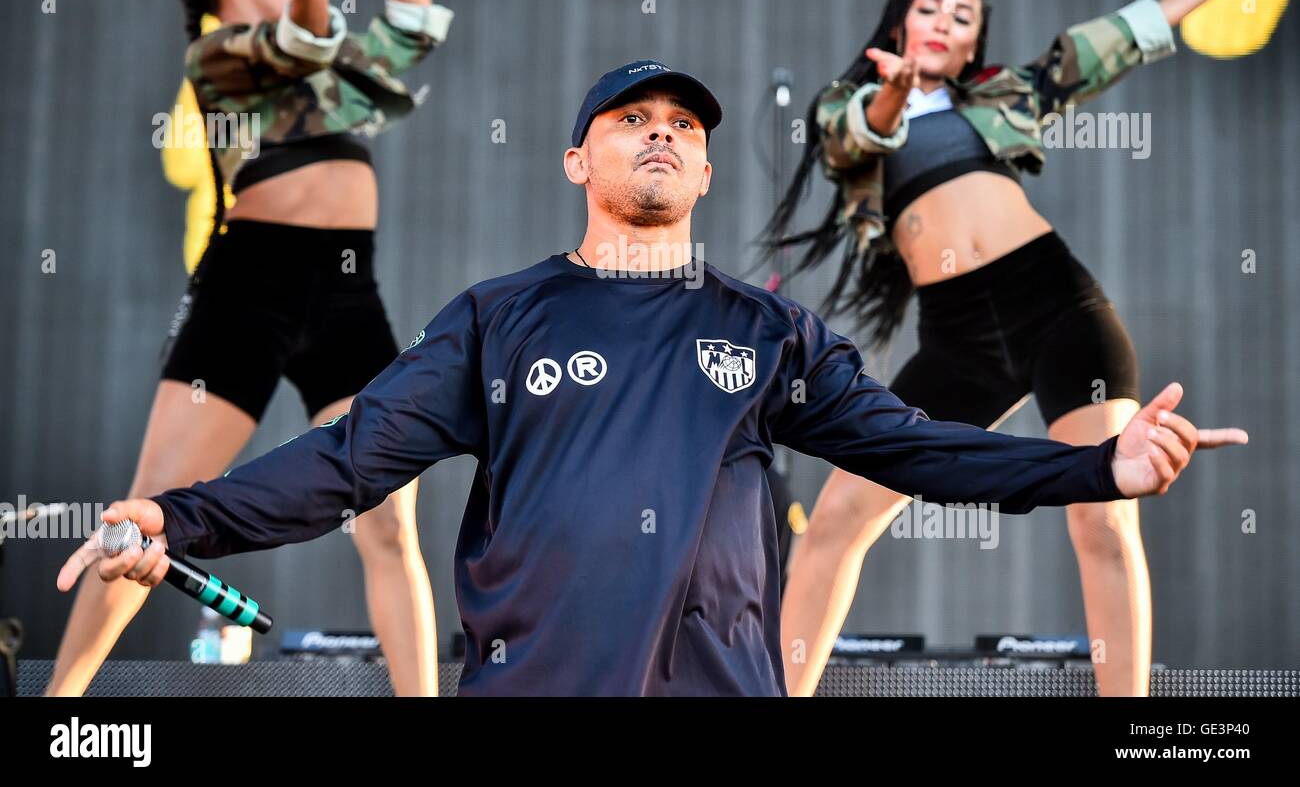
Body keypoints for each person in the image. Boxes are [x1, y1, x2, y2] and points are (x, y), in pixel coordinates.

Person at [57, 60, 1246, 696]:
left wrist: (1100, 461)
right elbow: (348, 460)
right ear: (581, 158)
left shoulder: (770, 331)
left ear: (709, 167)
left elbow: (918, 447)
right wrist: (175, 514)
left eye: (684, 122)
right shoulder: (494, 318)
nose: (664, 132)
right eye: (633, 118)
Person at [763, 0, 1292, 696]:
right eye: (929, 7)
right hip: (958, 340)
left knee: (1104, 519)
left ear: (976, 43)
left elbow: (1109, 43)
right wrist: (892, 96)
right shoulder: (850, 104)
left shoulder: (1004, 97)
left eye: (962, 15)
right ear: (899, 20)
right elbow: (855, 139)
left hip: (1057, 308)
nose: (944, 22)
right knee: (837, 518)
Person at [46, 0, 453, 697]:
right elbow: (300, 41)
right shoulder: (220, 54)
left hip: (349, 293)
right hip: (251, 287)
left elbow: (417, 28)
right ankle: (59, 706)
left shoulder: (330, 56)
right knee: (149, 507)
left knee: (389, 526)